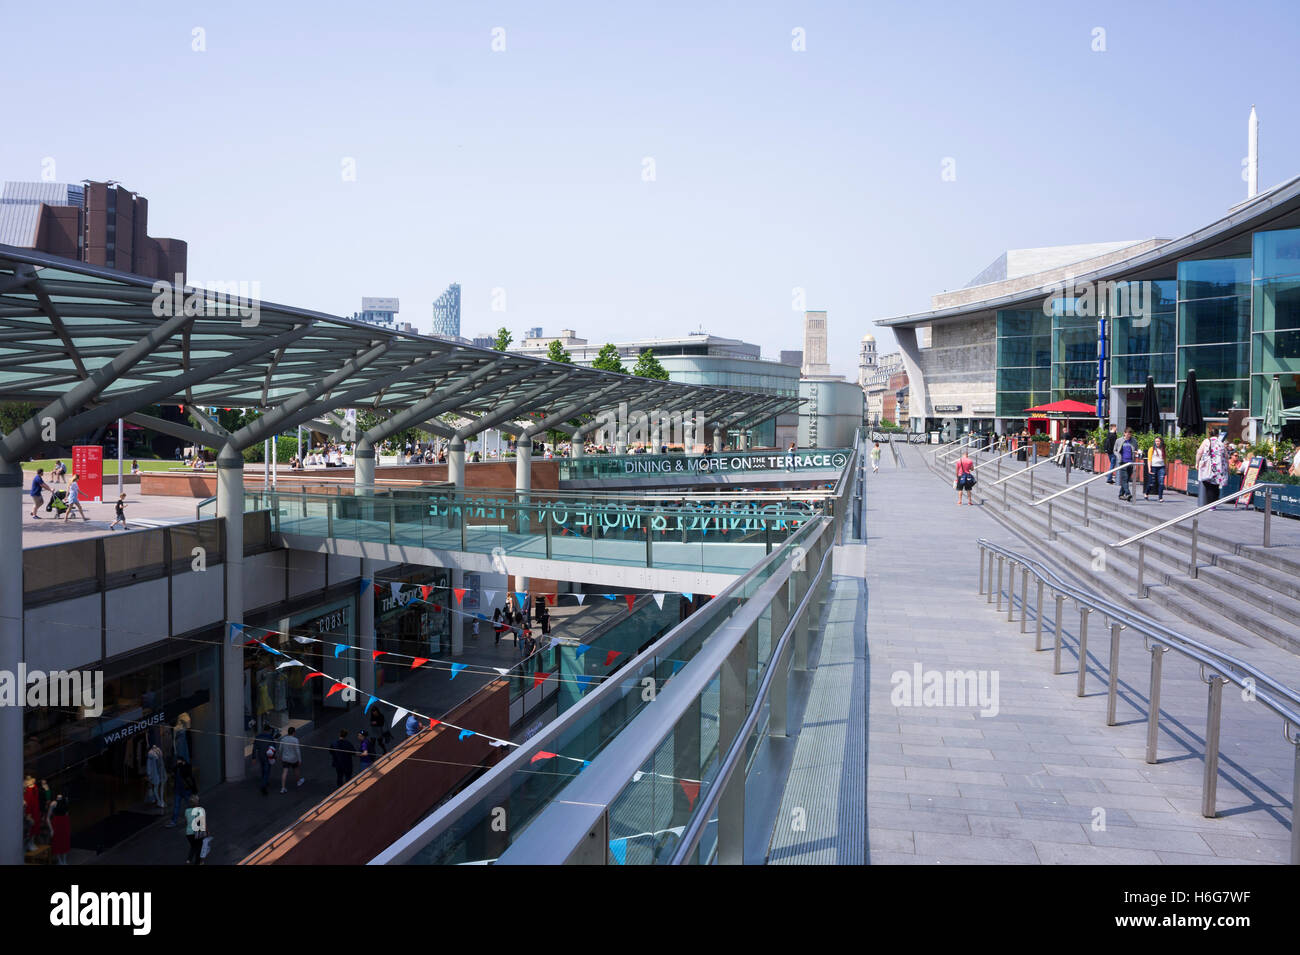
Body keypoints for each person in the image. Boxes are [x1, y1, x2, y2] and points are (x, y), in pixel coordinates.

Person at [1196, 433, 1229, 507]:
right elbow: (1226, 456)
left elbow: (1199, 452)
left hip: (1208, 467)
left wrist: (1197, 462)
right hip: (1219, 468)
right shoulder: (1221, 443)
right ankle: (1214, 504)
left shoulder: (1206, 441)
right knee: (1216, 486)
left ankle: (1209, 503)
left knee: (1208, 484)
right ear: (1217, 435)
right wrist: (1227, 468)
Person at [166, 757, 198, 827]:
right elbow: (173, 771)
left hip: (186, 790)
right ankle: (173, 821)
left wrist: (194, 791)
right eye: (177, 761)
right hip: (178, 791)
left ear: (183, 761)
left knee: (189, 805)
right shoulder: (177, 768)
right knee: (176, 806)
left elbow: (187, 775)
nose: (178, 762)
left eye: (179, 761)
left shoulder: (187, 767)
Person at [252, 723, 278, 795]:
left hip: (260, 756)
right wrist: (274, 756)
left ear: (263, 730)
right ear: (269, 730)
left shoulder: (258, 737)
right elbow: (273, 748)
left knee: (263, 769)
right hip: (267, 757)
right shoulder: (270, 738)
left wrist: (253, 757)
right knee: (267, 771)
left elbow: (254, 748)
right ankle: (263, 785)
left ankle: (265, 781)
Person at [278, 725, 304, 792]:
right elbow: (297, 751)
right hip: (293, 759)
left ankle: (283, 787)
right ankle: (298, 781)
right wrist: (299, 759)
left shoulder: (283, 739)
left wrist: (280, 756)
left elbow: (280, 749)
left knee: (284, 772)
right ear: (294, 732)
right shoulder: (295, 740)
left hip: (285, 758)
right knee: (296, 770)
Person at [47, 793, 71, 864]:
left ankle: (64, 861)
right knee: (57, 842)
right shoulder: (53, 803)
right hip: (57, 824)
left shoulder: (65, 802)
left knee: (65, 842)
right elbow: (47, 818)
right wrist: (51, 829)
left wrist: (68, 825)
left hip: (65, 823)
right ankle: (60, 861)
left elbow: (67, 814)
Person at [183, 795, 206, 865]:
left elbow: (186, 822)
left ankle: (188, 860)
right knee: (199, 847)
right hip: (196, 832)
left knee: (193, 847)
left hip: (188, 833)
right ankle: (198, 862)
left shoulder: (186, 811)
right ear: (197, 802)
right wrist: (206, 831)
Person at [1117, 428, 1138, 501]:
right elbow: (1115, 450)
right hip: (1123, 462)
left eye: (1130, 434)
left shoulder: (1134, 441)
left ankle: (1121, 494)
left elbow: (1136, 449)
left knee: (1127, 479)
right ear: (1124, 433)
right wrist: (1118, 457)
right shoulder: (1119, 440)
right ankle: (1128, 493)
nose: (1128, 435)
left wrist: (1136, 453)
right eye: (1127, 434)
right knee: (1125, 478)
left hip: (1130, 462)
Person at [146, 741, 167, 810]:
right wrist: (149, 773)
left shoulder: (159, 750)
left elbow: (162, 761)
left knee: (161, 785)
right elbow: (149, 764)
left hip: (161, 771)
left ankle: (161, 800)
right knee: (156, 786)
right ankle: (159, 800)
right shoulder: (150, 753)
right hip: (155, 772)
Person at [1146, 436, 1167, 502]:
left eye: (1158, 441)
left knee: (1161, 482)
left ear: (1161, 442)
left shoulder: (1163, 449)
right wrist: (1149, 468)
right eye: (1156, 441)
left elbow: (1165, 459)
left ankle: (1160, 497)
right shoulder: (1151, 449)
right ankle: (1146, 493)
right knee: (1151, 482)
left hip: (1161, 467)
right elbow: (1149, 459)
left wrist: (1166, 468)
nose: (1157, 442)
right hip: (1153, 466)